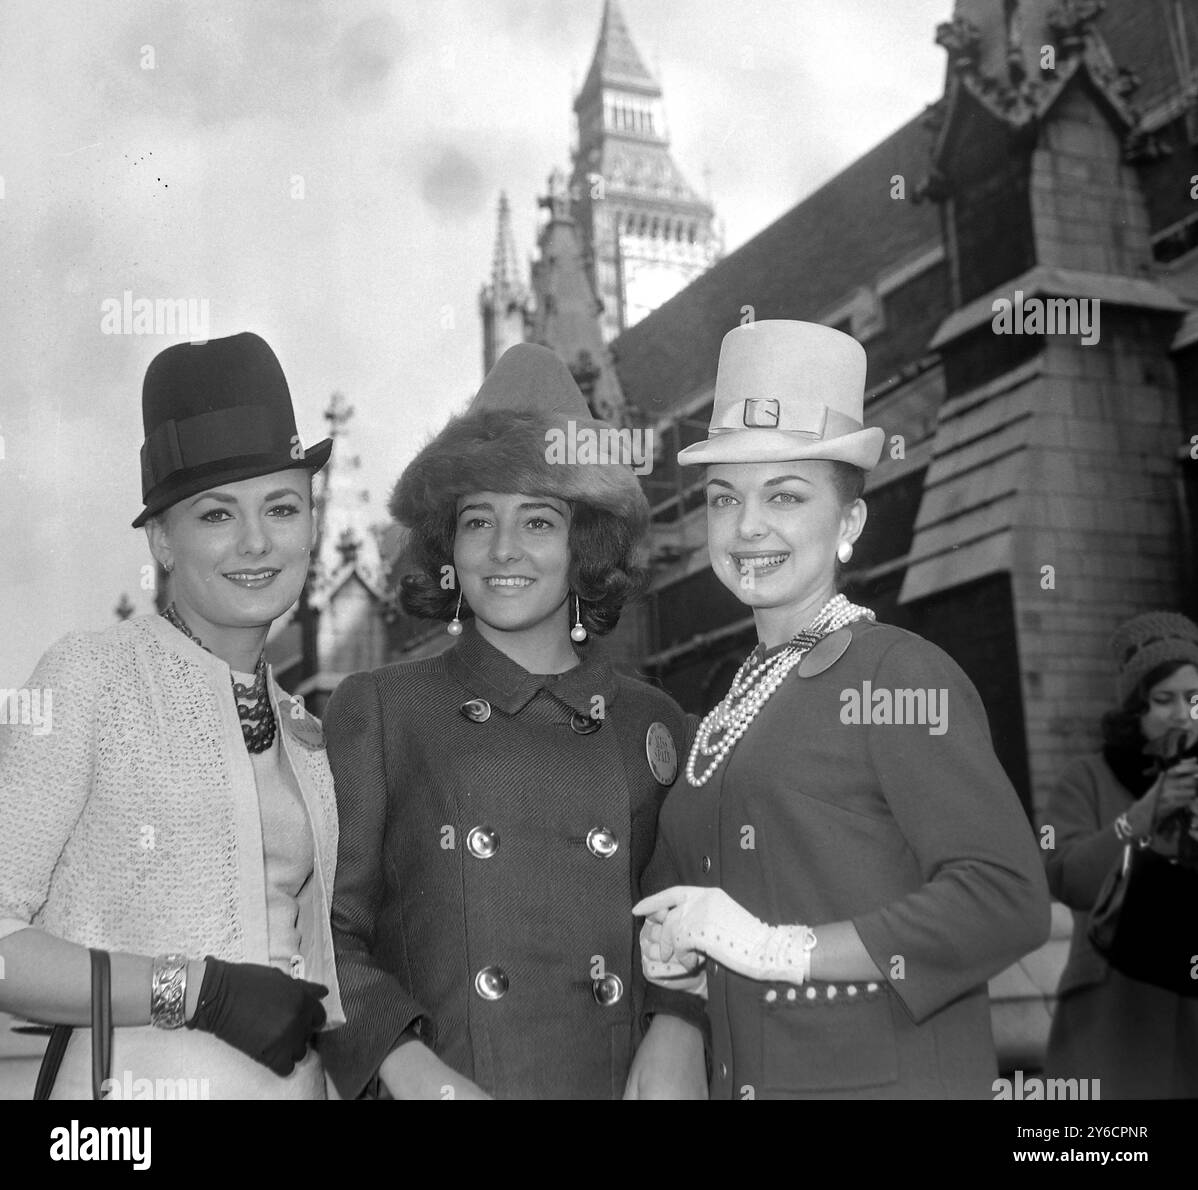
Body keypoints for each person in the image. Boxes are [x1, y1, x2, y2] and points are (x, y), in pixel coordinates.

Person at [634, 319, 1051, 1100]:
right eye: (726, 499)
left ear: (850, 523)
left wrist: (783, 950)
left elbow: (1008, 898)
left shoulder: (894, 671)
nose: (748, 526)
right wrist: (685, 959)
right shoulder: (733, 698)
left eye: (785, 496)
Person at [318, 343, 706, 1100]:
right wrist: (414, 1069)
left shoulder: (651, 725)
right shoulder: (381, 710)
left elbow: (683, 920)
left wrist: (680, 1026)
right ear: (447, 547)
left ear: (584, 543)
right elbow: (323, 934)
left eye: (538, 521)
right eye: (477, 521)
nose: (503, 551)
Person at [0, 332, 343, 1099]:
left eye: (282, 508)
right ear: (162, 539)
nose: (257, 541)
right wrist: (194, 990)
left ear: (313, 525)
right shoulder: (88, 677)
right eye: (218, 515)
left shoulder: (303, 730)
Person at [1043, 611, 1198, 1098]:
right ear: (1135, 708)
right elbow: (1067, 879)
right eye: (1164, 700)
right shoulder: (1085, 777)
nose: (1182, 714)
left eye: (1194, 699)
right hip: (1111, 1015)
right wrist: (1141, 816)